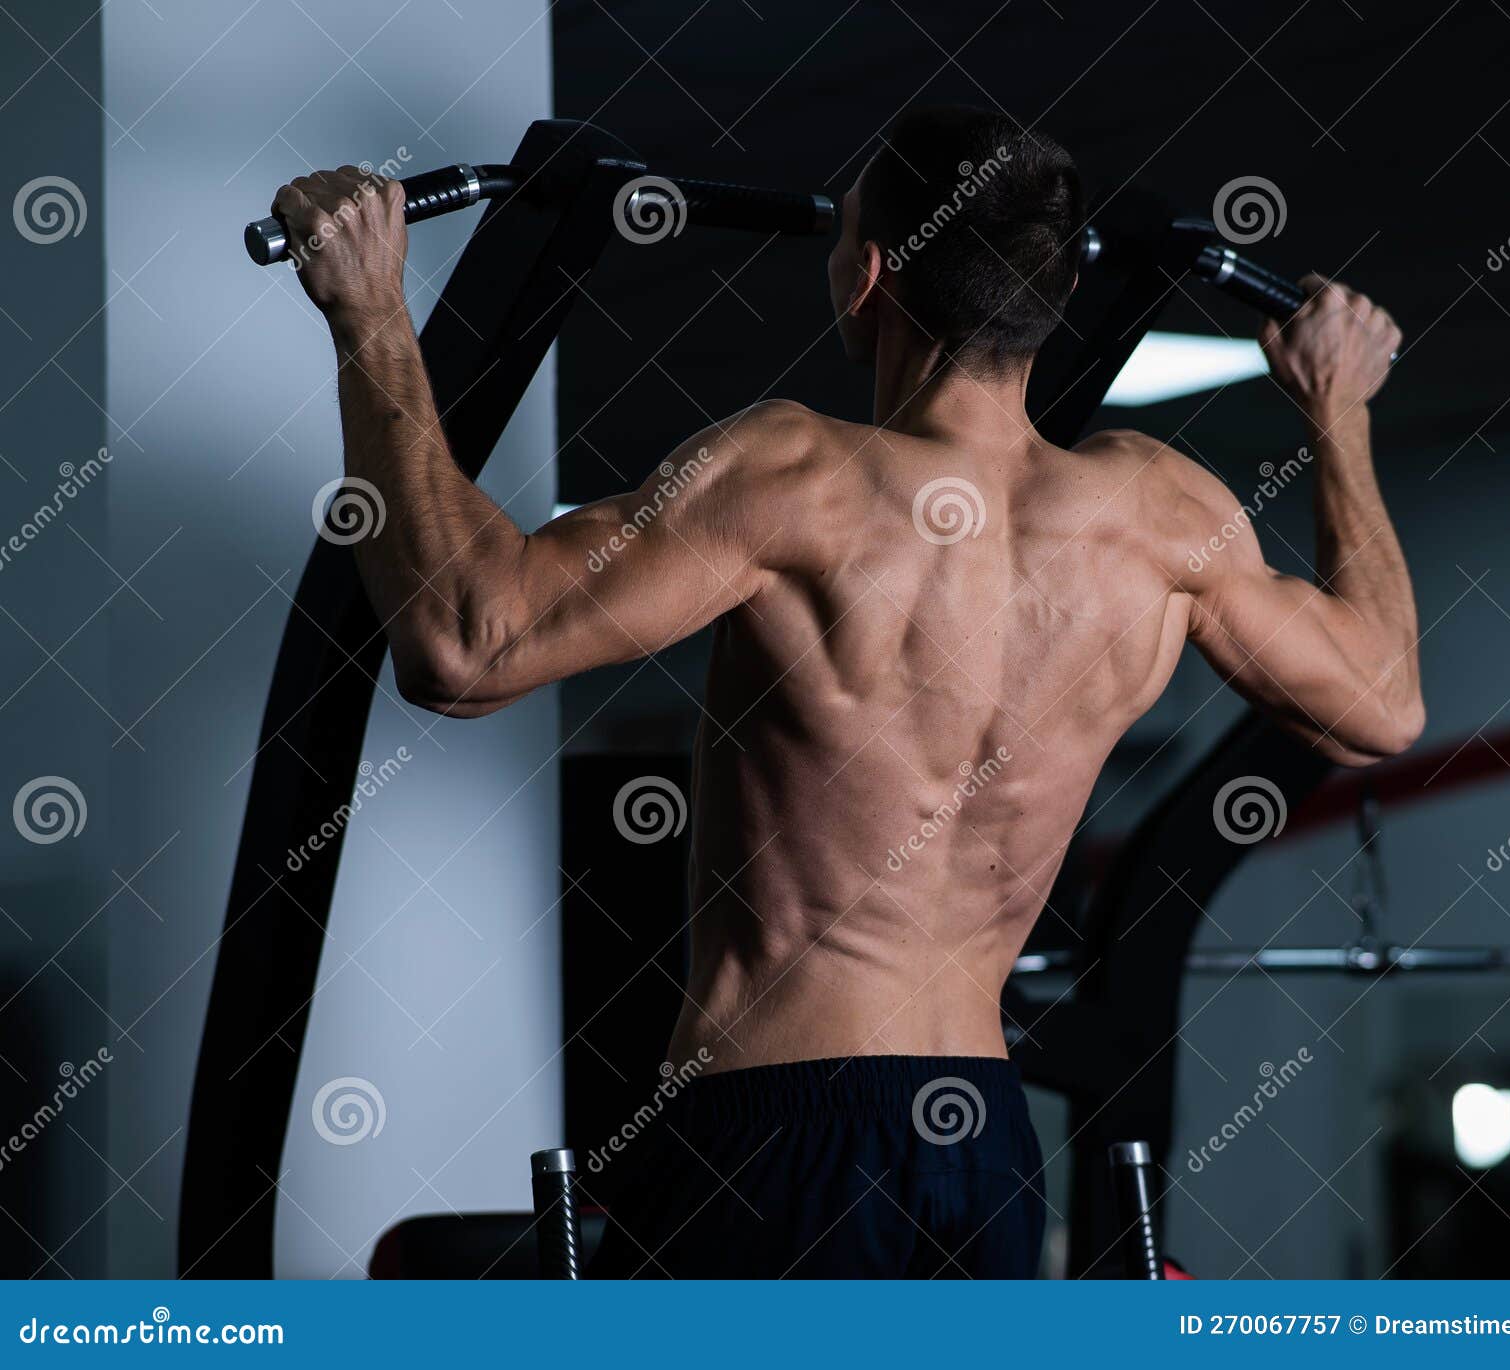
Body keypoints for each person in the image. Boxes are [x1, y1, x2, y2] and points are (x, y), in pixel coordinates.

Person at [272, 104, 1421, 1278]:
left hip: (774, 1134)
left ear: (867, 274)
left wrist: (371, 315)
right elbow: (1382, 704)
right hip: (979, 1137)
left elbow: (467, 642)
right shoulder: (1161, 517)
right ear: (1045, 296)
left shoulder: (796, 478)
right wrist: (1338, 416)